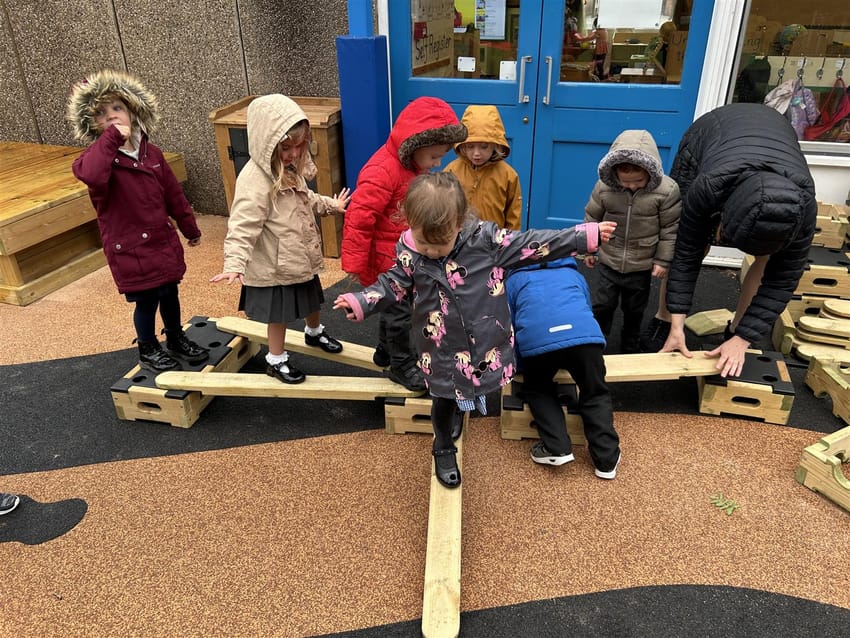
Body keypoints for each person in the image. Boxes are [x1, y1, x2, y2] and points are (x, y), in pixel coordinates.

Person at [334, 172, 615, 488]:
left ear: (458, 224)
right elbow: (394, 283)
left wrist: (583, 236)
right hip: (438, 343)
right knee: (443, 396)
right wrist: (362, 300)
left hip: (482, 340)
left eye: (438, 244)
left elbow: (534, 243)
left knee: (471, 384)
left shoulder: (486, 242)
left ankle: (460, 408)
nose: (430, 251)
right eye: (423, 242)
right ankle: (443, 447)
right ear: (410, 222)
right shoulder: (410, 248)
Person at [647, 103, 817, 378]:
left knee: (766, 260)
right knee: (691, 242)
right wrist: (678, 324)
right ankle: (665, 318)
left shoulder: (803, 208)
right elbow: (686, 254)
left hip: (771, 142)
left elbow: (781, 281)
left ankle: (736, 328)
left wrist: (743, 338)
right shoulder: (709, 187)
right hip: (708, 135)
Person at [68, 70, 209, 373]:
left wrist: (189, 228)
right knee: (146, 301)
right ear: (93, 124)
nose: (111, 116)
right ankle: (147, 347)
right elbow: (92, 176)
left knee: (169, 293)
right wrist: (110, 139)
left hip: (161, 242)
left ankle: (175, 337)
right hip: (130, 249)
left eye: (117, 108)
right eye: (101, 114)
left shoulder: (151, 154)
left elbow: (173, 195)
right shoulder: (96, 160)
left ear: (133, 111)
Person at [211, 95, 350, 384]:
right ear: (267, 142)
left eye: (299, 146)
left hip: (297, 256)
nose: (294, 153)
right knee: (279, 316)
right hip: (275, 265)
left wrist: (330, 205)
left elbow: (306, 198)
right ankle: (276, 360)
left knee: (311, 299)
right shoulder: (255, 179)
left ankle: (314, 332)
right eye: (286, 147)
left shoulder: (289, 169)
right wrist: (234, 263)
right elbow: (242, 224)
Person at [341, 96, 467, 392]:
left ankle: (385, 351)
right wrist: (355, 265)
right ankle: (401, 365)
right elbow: (359, 218)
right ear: (416, 144)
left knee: (393, 308)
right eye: (434, 156)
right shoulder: (382, 170)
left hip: (402, 257)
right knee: (401, 316)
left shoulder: (413, 168)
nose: (437, 164)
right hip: (386, 261)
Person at [506, 257, 621, 479]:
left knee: (538, 389)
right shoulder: (574, 275)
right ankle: (606, 460)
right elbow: (585, 307)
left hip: (539, 342)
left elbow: (510, 325)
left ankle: (556, 447)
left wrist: (519, 365)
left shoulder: (515, 280)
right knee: (594, 391)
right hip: (584, 339)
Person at [583, 130, 681, 353]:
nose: (632, 186)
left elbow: (670, 228)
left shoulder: (667, 191)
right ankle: (596, 341)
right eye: (626, 182)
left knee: (634, 309)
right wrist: (589, 248)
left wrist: (662, 261)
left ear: (650, 171)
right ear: (614, 173)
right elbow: (591, 217)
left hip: (641, 264)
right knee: (602, 305)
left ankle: (630, 344)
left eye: (638, 181)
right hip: (610, 259)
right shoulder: (604, 188)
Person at [445, 104, 522, 230]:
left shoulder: (508, 175)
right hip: (458, 238)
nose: (476, 153)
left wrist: (510, 240)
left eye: (484, 146)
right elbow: (441, 208)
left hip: (494, 239)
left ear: (495, 145)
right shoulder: (451, 171)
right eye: (470, 146)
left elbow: (513, 215)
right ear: (462, 145)